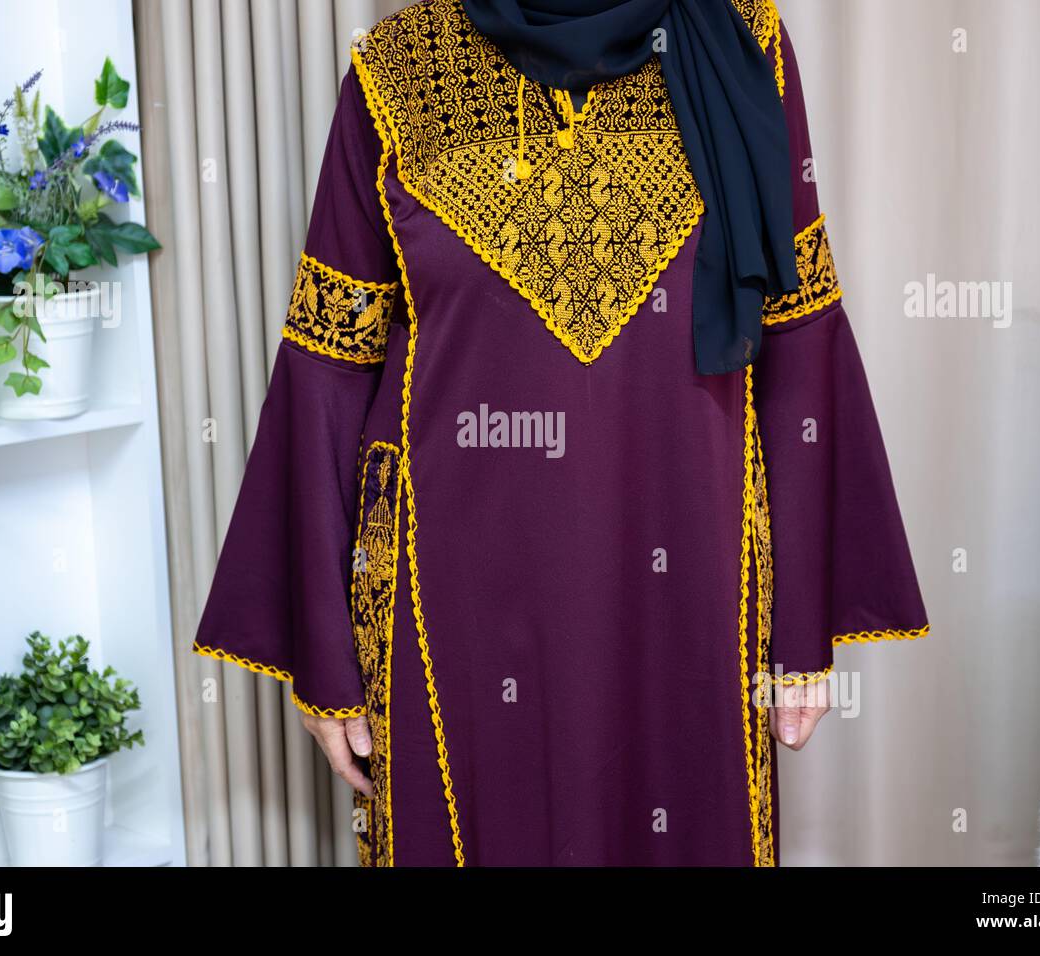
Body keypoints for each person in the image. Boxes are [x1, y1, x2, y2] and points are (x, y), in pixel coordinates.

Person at [193, 0, 928, 866]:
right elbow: (328, 358)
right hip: (454, 599)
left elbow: (799, 323)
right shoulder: (394, 71)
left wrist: (801, 630)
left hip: (690, 580)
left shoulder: (735, 38)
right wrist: (323, 653)